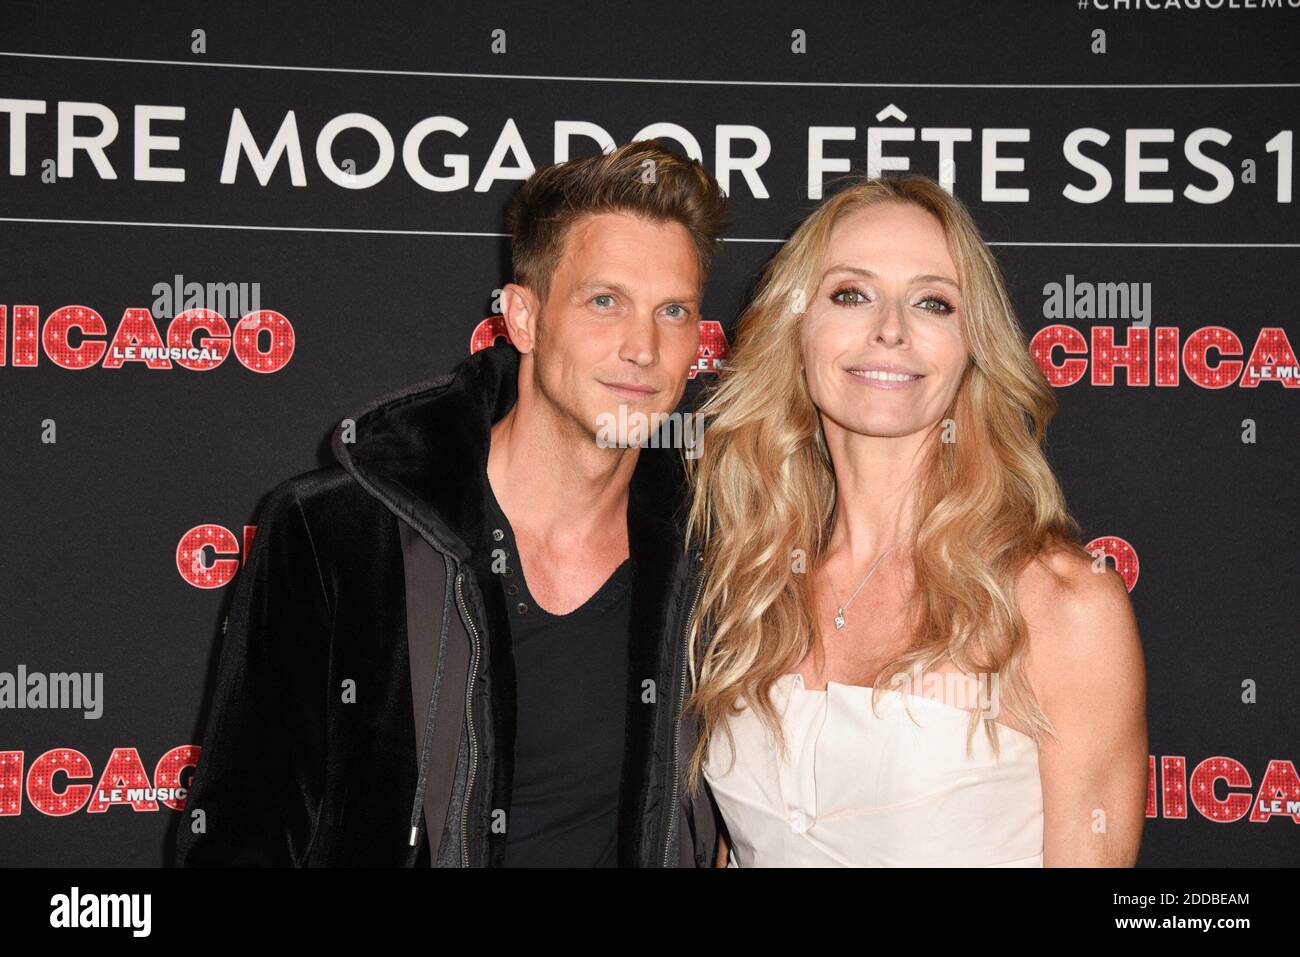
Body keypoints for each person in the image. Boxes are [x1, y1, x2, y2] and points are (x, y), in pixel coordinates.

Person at [174, 139, 730, 867]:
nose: (643, 347)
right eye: (605, 301)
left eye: (674, 311)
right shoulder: (335, 535)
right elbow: (242, 839)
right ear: (524, 319)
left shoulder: (720, 555)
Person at [682, 173, 1148, 867]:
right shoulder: (747, 584)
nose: (891, 329)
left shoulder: (1063, 606)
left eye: (933, 302)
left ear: (972, 349)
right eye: (850, 293)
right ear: (797, 328)